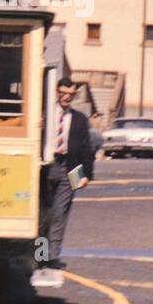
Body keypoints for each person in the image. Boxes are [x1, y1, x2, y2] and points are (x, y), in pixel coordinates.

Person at [40, 79, 94, 270]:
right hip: (46, 166)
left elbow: (86, 148)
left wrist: (86, 174)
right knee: (44, 214)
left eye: (70, 94)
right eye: (63, 93)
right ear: (56, 91)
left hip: (72, 169)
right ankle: (40, 255)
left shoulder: (79, 118)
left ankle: (52, 257)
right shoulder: (44, 114)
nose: (66, 97)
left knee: (60, 213)